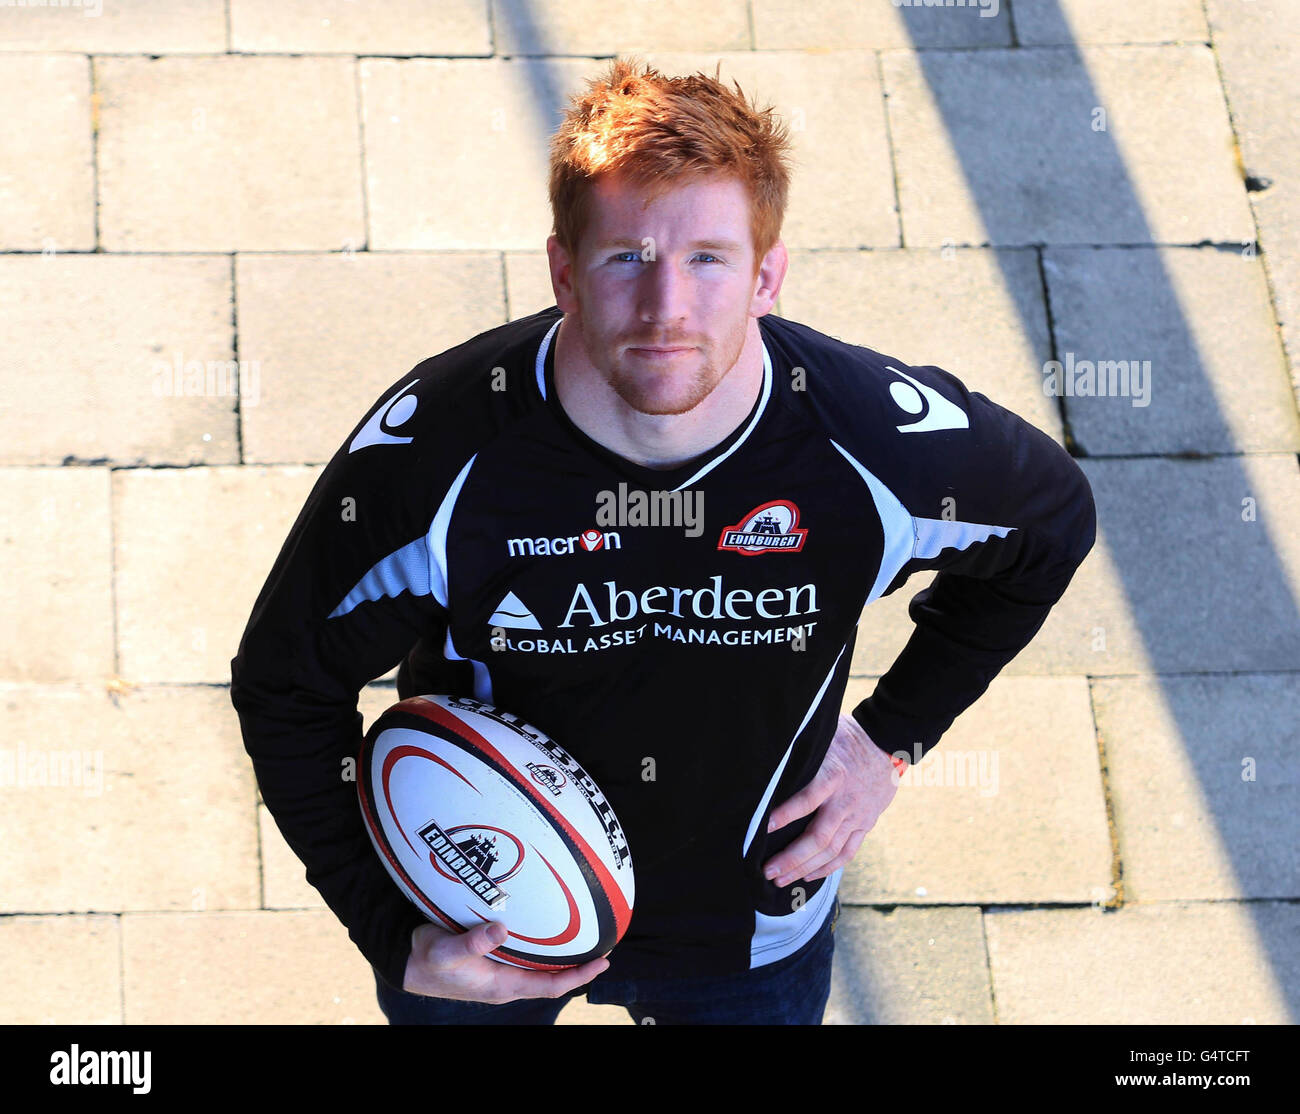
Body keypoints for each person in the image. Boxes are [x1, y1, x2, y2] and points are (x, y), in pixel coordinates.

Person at [229, 56, 1097, 1025]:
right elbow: (283, 682)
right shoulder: (434, 460)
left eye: (707, 260)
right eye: (626, 258)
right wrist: (386, 929)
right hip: (480, 909)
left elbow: (1049, 524)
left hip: (749, 931)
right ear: (563, 270)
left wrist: (888, 743)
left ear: (767, 275)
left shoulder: (869, 451)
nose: (666, 309)